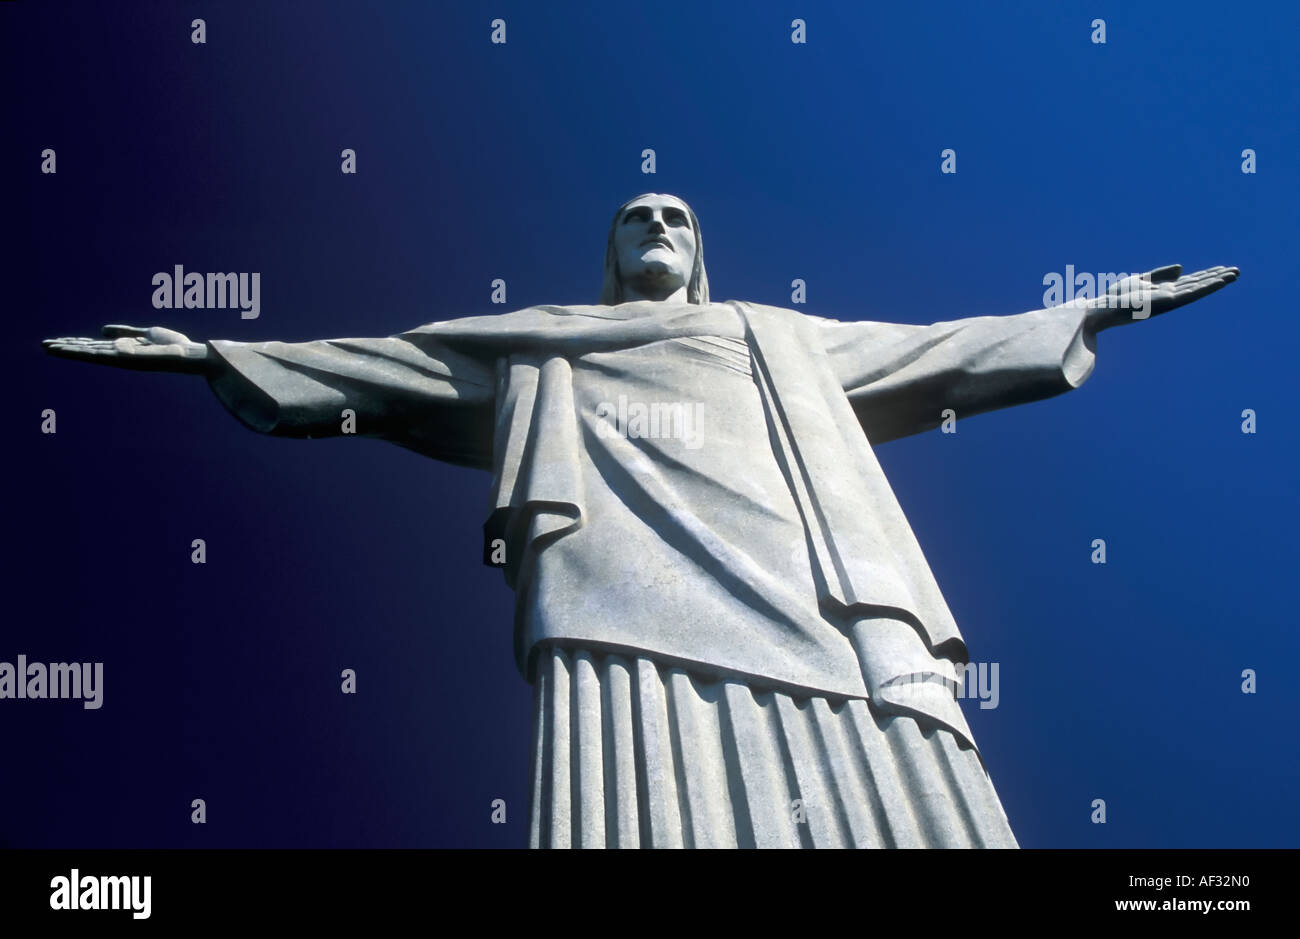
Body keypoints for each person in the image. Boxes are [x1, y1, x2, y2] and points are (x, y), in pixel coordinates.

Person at [44, 193, 1238, 848]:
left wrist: (1103, 305)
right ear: (611, 256)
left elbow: (942, 346)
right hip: (618, 591)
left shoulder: (776, 337)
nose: (657, 230)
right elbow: (384, 367)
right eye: (636, 221)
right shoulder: (545, 344)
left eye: (676, 219)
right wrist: (214, 346)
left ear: (699, 252)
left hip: (817, 592)